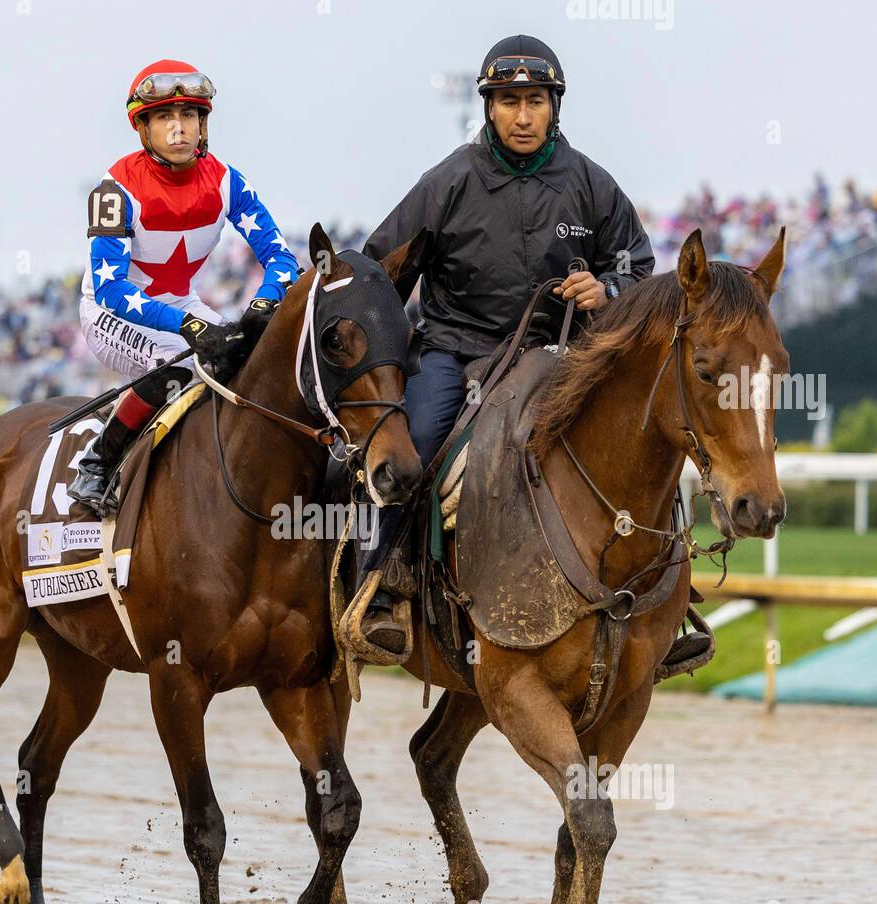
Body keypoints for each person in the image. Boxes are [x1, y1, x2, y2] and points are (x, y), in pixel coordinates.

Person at [356, 33, 654, 655]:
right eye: (510, 100)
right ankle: (378, 586)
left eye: (537, 100)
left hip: (559, 357)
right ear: (489, 107)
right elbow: (381, 278)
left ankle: (664, 606)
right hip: (455, 354)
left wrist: (607, 290)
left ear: (555, 107)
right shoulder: (447, 182)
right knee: (409, 451)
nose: (524, 115)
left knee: (639, 437)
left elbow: (638, 269)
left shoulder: (592, 184)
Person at [68, 59, 300, 515]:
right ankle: (97, 462)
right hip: (111, 314)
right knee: (184, 367)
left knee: (254, 363)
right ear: (144, 128)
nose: (180, 129)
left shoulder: (228, 180)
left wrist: (261, 304)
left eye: (189, 116)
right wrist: (189, 324)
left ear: (203, 124)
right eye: (166, 118)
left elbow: (282, 259)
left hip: (180, 305)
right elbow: (113, 290)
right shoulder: (113, 190)